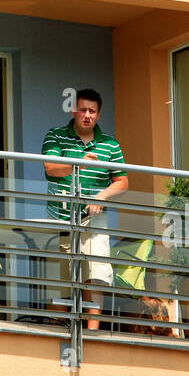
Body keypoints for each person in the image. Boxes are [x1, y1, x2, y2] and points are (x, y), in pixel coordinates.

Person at [42, 89, 128, 330]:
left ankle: (92, 334)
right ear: (74, 110)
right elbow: (50, 168)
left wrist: (102, 195)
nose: (87, 115)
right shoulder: (56, 136)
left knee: (96, 269)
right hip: (60, 217)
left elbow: (122, 182)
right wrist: (78, 164)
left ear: (98, 114)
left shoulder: (110, 145)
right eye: (83, 110)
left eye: (92, 111)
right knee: (59, 278)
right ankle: (55, 332)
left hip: (94, 217)